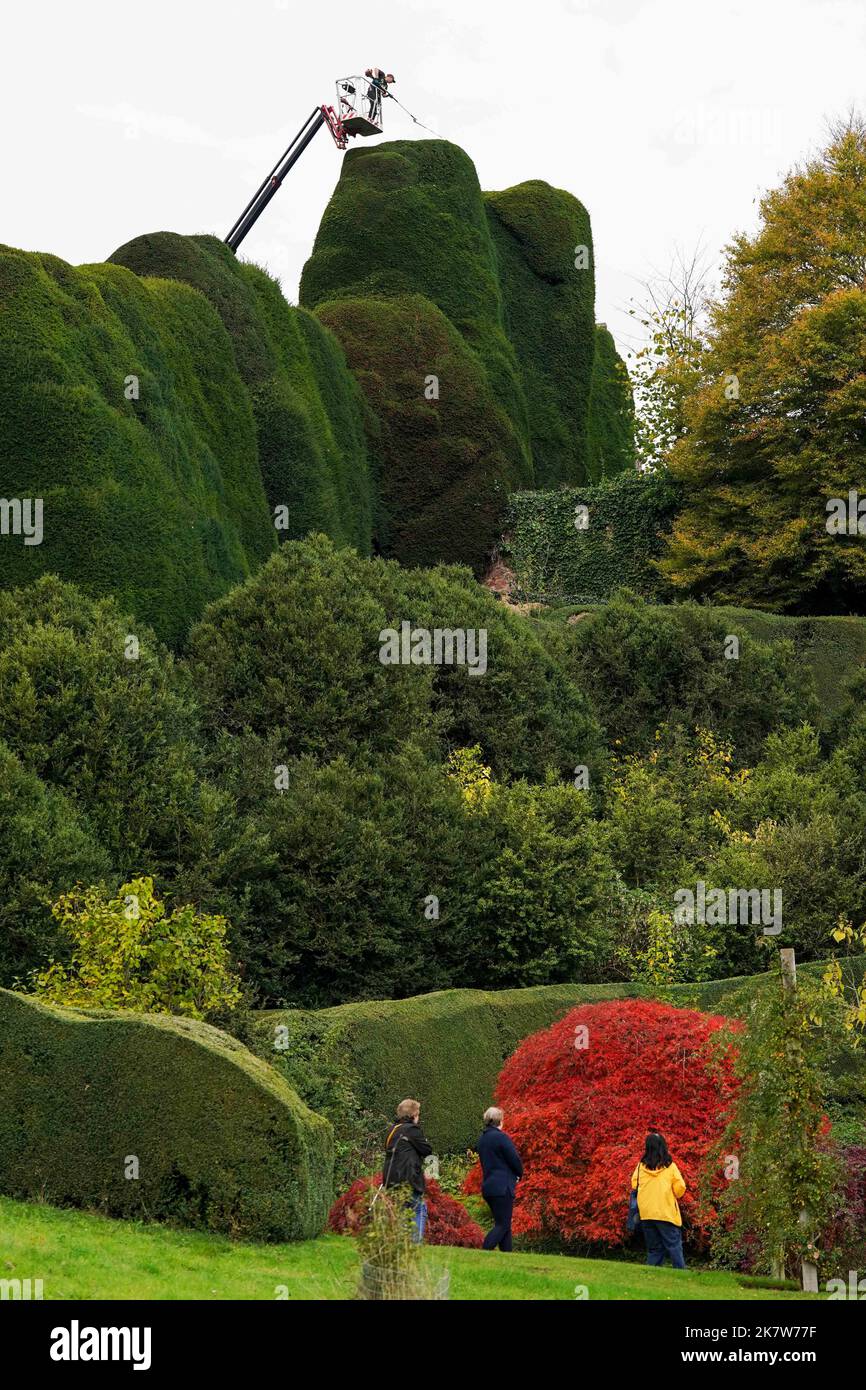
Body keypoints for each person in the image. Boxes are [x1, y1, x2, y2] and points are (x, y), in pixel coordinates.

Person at [631, 1130, 687, 1269]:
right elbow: (680, 1188)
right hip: (666, 1213)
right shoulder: (670, 1167)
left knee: (654, 1249)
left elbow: (634, 1184)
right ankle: (681, 1273)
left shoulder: (640, 1167)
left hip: (646, 1213)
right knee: (674, 1246)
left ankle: (652, 1274)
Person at [381, 1098, 433, 1243]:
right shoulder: (412, 1130)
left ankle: (400, 1244)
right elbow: (427, 1150)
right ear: (414, 1114)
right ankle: (415, 1245)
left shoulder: (392, 1130)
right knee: (418, 1209)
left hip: (391, 1178)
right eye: (418, 1114)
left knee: (400, 1212)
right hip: (409, 1178)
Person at [476, 1106, 523, 1251]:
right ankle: (484, 1250)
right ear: (501, 1121)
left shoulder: (482, 1139)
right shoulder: (501, 1137)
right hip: (503, 1187)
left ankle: (506, 1257)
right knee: (502, 1225)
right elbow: (514, 1159)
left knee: (504, 1224)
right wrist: (519, 1173)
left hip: (489, 1186)